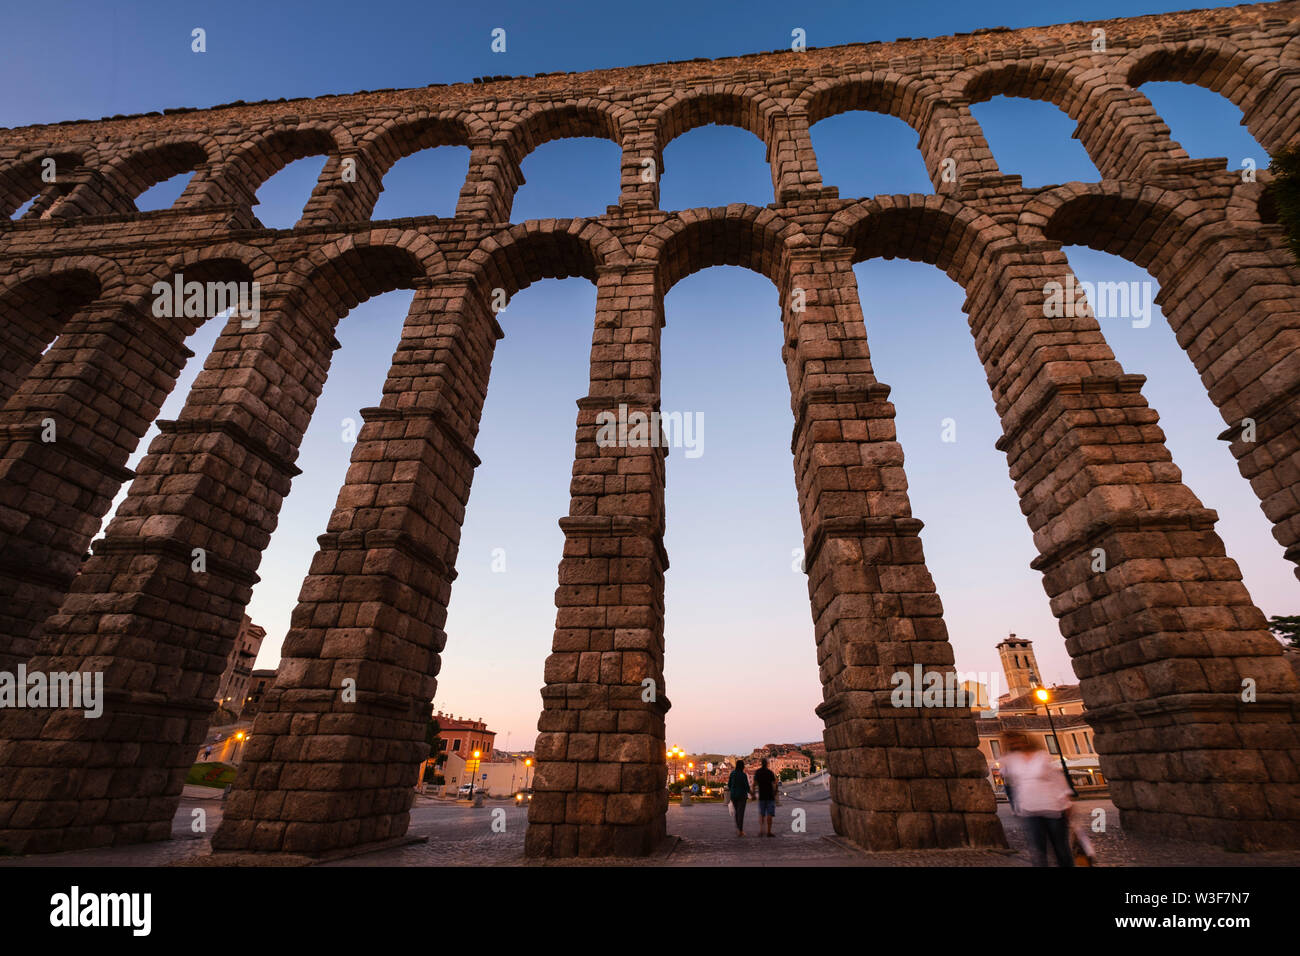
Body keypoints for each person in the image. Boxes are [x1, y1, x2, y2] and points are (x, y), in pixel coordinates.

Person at [998, 732, 1074, 867]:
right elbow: (1007, 776)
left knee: (1061, 848)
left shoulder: (1042, 756)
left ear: (1027, 740)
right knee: (1038, 852)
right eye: (1012, 743)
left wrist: (1066, 800)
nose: (1016, 745)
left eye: (1018, 741)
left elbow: (1058, 779)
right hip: (1029, 809)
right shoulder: (1011, 760)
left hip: (1053, 807)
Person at [753, 758, 778, 837]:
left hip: (762, 796)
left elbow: (754, 784)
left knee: (761, 814)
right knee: (769, 814)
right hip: (770, 795)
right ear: (767, 764)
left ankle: (761, 830)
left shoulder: (758, 772)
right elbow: (775, 783)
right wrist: (775, 791)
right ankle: (769, 831)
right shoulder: (770, 772)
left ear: (761, 763)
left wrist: (753, 794)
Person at [727, 759, 750, 836]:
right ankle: (740, 830)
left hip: (733, 796)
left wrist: (733, 790)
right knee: (741, 813)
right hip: (742, 796)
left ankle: (738, 828)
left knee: (737, 812)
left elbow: (729, 785)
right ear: (742, 766)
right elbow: (746, 786)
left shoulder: (732, 773)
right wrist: (751, 793)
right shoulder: (743, 775)